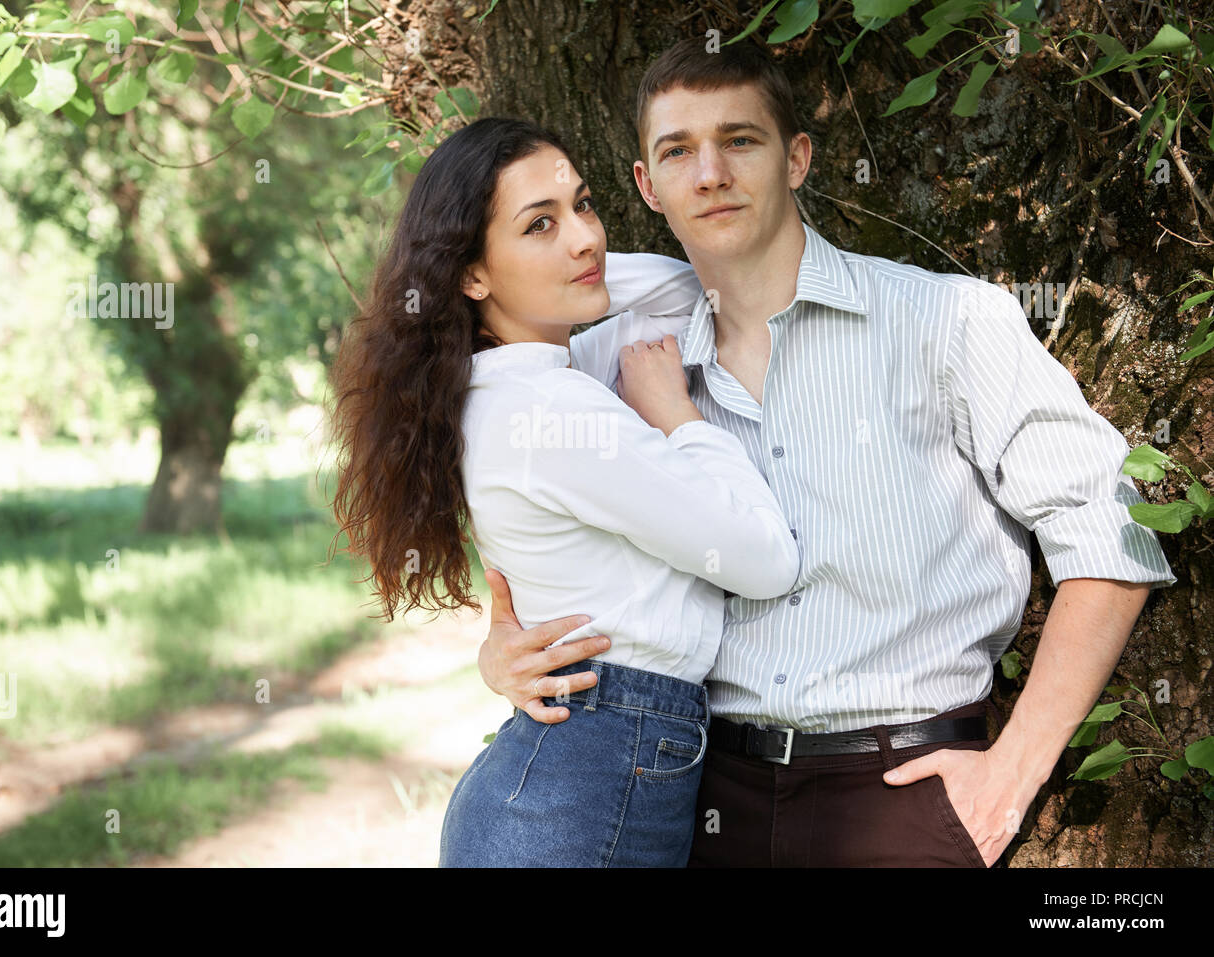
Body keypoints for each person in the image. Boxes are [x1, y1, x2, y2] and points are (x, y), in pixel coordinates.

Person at [477, 36, 1177, 867]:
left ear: (797, 157)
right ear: (647, 186)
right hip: (698, 803)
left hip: (906, 799)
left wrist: (1012, 774)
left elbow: (1112, 523)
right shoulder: (615, 364)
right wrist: (500, 631)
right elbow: (527, 502)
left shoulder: (946, 324)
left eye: (740, 140)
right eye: (678, 152)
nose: (710, 174)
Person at [325, 115, 800, 867]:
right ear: (471, 274)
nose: (585, 238)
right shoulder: (550, 410)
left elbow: (693, 288)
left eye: (583, 205)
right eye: (539, 225)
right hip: (578, 799)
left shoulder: (537, 376)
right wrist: (677, 416)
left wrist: (568, 267)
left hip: (574, 780)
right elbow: (767, 557)